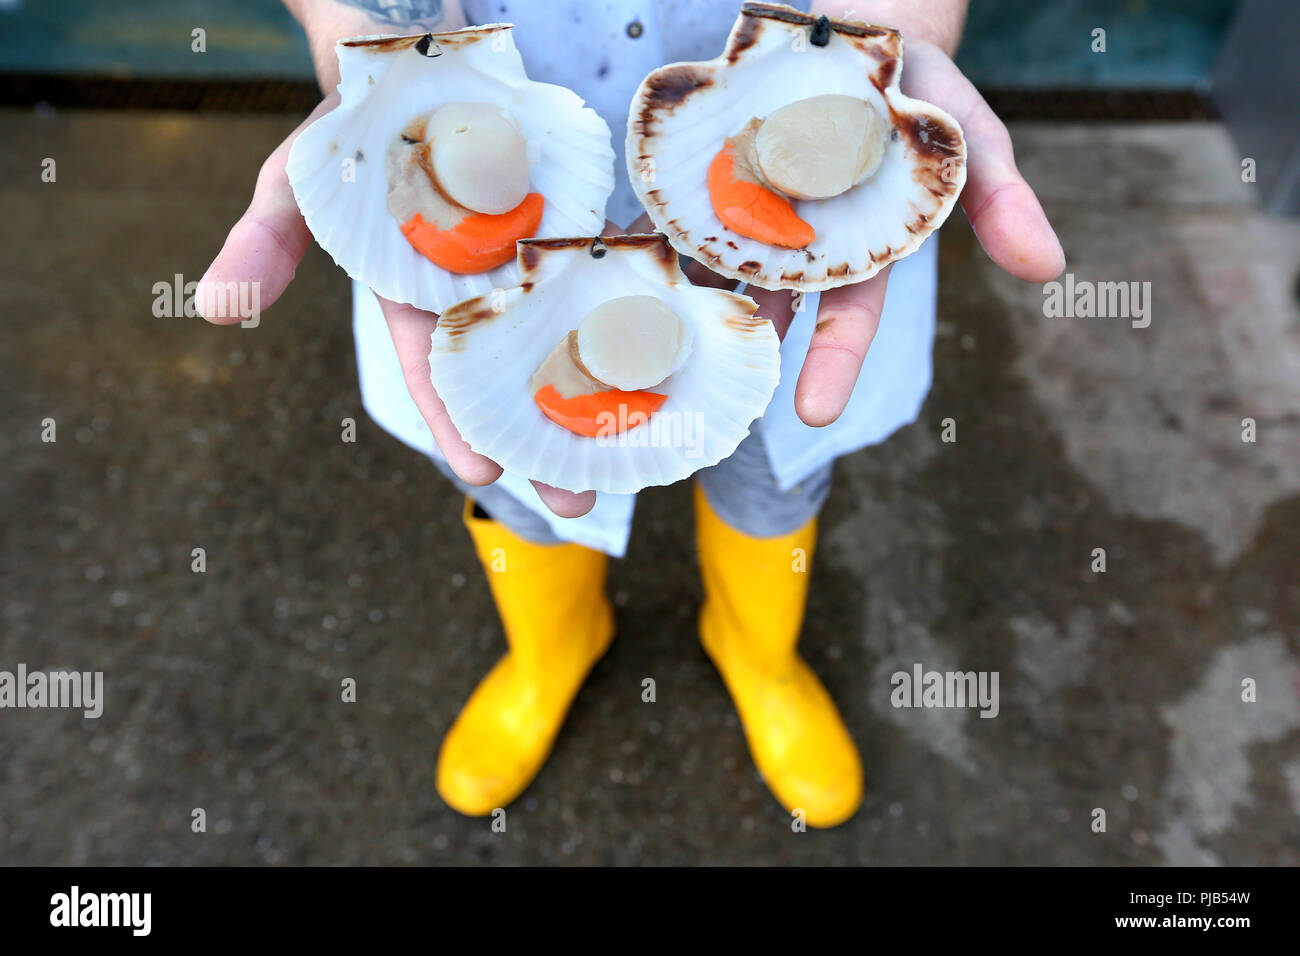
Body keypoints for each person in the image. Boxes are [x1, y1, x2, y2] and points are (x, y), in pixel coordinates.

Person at [199, 0, 1063, 828]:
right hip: (492, 242)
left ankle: (757, 655)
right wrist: (390, 55)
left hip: (796, 238)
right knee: (514, 476)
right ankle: (551, 651)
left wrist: (896, 30)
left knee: (774, 481)